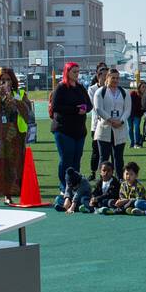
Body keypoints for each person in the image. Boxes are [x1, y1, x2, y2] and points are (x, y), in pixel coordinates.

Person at [0, 66, 33, 206]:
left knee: (12, 165)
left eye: (8, 80)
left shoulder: (19, 93)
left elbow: (28, 111)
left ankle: (8, 196)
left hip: (14, 135)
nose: (5, 83)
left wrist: (14, 100)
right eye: (2, 80)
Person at [49, 62, 90, 202]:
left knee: (76, 160)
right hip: (63, 130)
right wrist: (75, 109)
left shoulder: (80, 87)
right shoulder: (61, 88)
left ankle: (75, 185)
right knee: (66, 159)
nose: (77, 74)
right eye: (74, 72)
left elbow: (89, 104)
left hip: (79, 130)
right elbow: (56, 107)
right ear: (67, 72)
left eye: (78, 72)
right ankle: (64, 186)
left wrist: (84, 108)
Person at [92, 67, 130, 173]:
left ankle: (119, 180)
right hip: (104, 128)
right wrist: (110, 120)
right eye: (113, 78)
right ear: (107, 78)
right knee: (104, 157)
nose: (115, 80)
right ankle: (103, 179)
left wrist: (121, 121)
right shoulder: (100, 92)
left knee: (118, 157)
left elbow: (127, 109)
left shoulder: (124, 92)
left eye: (117, 78)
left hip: (120, 128)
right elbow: (98, 108)